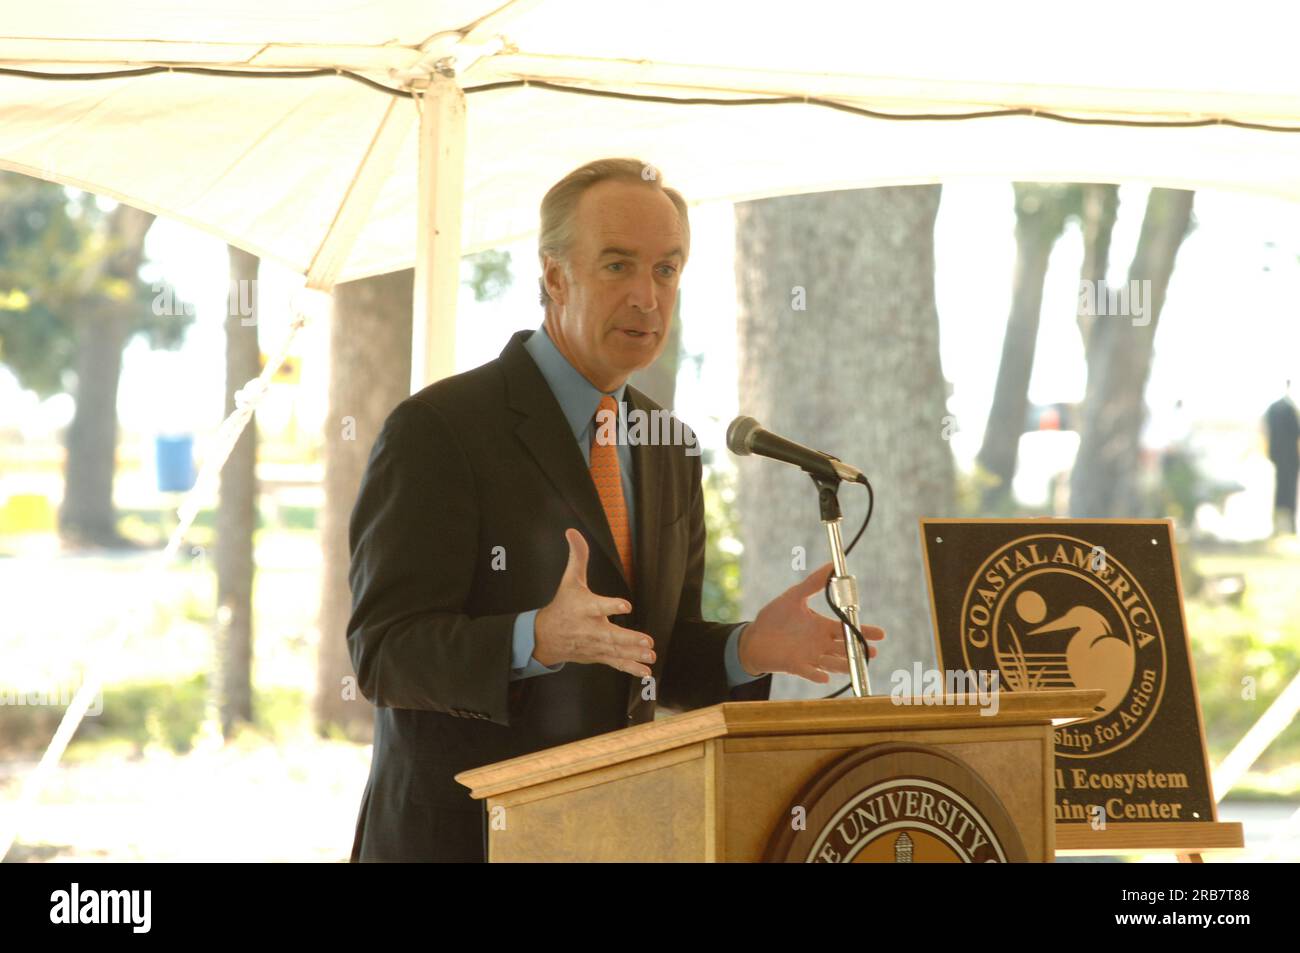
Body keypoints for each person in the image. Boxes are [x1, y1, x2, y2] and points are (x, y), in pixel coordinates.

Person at [345, 158, 885, 862]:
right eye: (617, 266)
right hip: (460, 841)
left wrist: (742, 647)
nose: (645, 296)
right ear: (554, 276)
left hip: (611, 836)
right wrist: (533, 637)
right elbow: (384, 654)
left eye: (666, 270)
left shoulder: (671, 448)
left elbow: (651, 650)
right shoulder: (440, 429)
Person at [1265, 382, 1300, 535]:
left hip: (1278, 456)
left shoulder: (1272, 409)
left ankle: (1278, 523)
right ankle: (1288, 524)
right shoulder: (1289, 408)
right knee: (1289, 491)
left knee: (1280, 489)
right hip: (1290, 457)